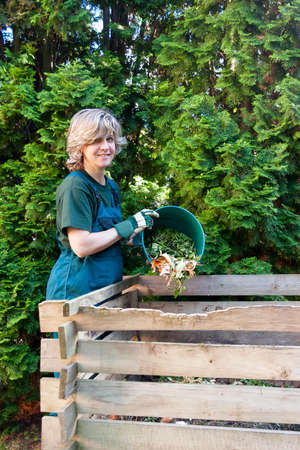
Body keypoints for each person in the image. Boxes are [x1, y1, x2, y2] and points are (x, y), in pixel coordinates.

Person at [46, 108, 159, 301]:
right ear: (80, 145)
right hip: (76, 292)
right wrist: (128, 225)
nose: (106, 146)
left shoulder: (111, 187)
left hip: (106, 289)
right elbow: (81, 246)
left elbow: (111, 236)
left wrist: (145, 239)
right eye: (96, 140)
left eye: (109, 139)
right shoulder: (76, 186)